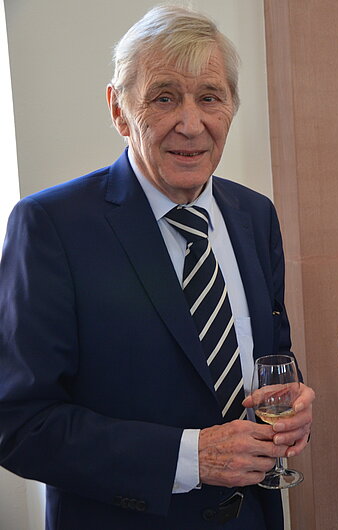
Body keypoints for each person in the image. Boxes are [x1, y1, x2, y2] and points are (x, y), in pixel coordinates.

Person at [0, 6, 314, 529]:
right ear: (119, 109)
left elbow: (264, 355)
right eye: (164, 97)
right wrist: (192, 457)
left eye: (210, 97)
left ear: (232, 107)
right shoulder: (51, 226)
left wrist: (291, 398)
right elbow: (19, 423)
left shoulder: (255, 215)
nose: (191, 124)